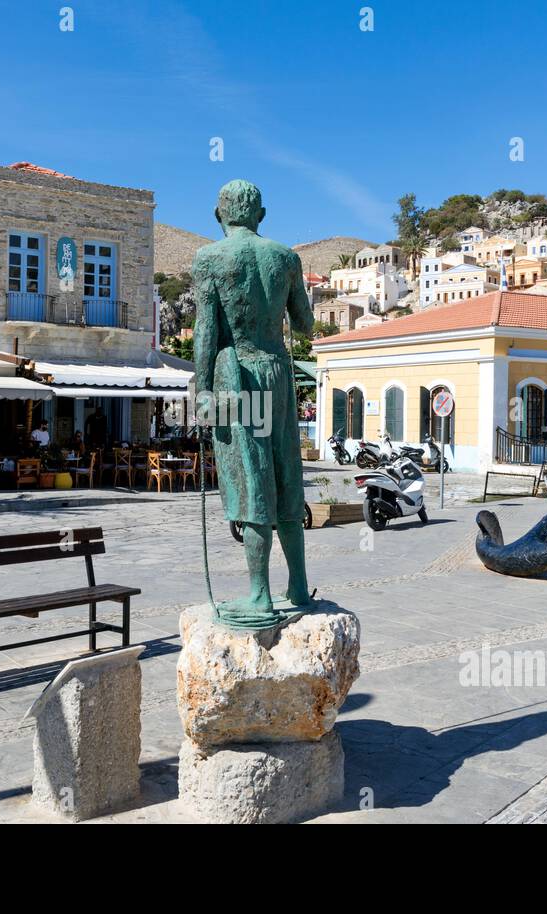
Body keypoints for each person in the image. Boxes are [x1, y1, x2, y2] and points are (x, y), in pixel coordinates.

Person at [193, 179, 314, 629]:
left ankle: (260, 594)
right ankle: (298, 586)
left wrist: (202, 391)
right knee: (285, 473)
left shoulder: (210, 258)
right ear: (261, 215)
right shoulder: (285, 257)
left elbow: (206, 331)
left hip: (237, 374)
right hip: (280, 374)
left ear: (218, 213)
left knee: (251, 478)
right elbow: (303, 323)